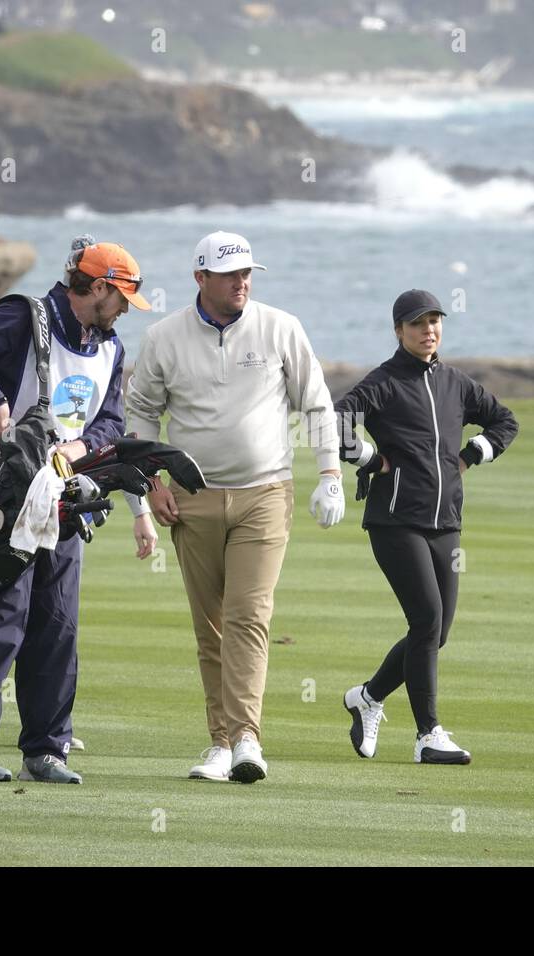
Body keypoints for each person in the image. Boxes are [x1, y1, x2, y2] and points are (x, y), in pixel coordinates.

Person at [0, 236, 156, 783]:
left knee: (56, 627)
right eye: (121, 298)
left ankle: (46, 750)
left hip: (63, 501)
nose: (124, 310)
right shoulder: (22, 318)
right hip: (1, 496)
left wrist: (80, 447)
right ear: (97, 287)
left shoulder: (110, 346)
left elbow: (110, 423)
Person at [125, 231, 344, 783]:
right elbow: (142, 417)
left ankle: (246, 739)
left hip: (265, 494)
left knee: (249, 614)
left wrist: (329, 474)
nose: (242, 282)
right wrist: (151, 483)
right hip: (191, 500)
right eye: (230, 275)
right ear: (201, 278)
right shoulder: (163, 336)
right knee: (211, 627)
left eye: (248, 273)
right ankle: (219, 743)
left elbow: (316, 402)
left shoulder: (280, 326)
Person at [336, 290, 518, 765]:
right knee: (426, 620)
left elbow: (504, 421)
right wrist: (370, 458)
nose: (428, 330)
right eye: (418, 323)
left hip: (446, 523)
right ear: (399, 331)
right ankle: (428, 734)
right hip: (395, 520)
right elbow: (335, 422)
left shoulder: (456, 384)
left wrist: (476, 452)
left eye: (435, 321)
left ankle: (369, 697)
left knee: (436, 633)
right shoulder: (384, 382)